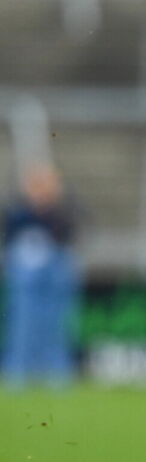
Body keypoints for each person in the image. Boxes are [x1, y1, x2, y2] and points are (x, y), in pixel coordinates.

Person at [2, 163, 81, 386]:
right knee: (22, 326)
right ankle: (16, 375)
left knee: (57, 325)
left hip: (55, 275)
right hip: (25, 276)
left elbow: (71, 233)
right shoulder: (18, 213)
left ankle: (58, 376)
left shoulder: (63, 211)